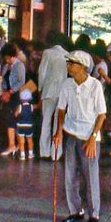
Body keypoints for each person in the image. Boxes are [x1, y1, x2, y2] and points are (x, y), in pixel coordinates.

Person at [53, 50, 106, 222]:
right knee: (70, 175)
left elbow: (101, 115)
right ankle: (75, 210)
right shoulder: (67, 84)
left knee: (91, 175)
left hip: (89, 137)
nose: (68, 66)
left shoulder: (95, 85)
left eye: (72, 63)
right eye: (68, 62)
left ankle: (94, 213)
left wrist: (93, 138)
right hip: (71, 134)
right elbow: (61, 109)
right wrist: (59, 131)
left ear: (83, 66)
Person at [37, 31, 70, 159]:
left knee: (46, 121)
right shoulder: (67, 55)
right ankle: (56, 152)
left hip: (48, 91)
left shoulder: (47, 53)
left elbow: (42, 72)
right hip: (62, 92)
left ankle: (44, 151)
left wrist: (40, 88)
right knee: (58, 122)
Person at [0, 42, 27, 157]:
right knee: (9, 119)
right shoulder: (6, 66)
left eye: (7, 57)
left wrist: (10, 92)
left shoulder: (19, 66)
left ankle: (18, 146)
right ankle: (13, 145)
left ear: (11, 55)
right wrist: (4, 92)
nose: (6, 60)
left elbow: (21, 81)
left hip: (16, 96)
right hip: (8, 96)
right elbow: (3, 80)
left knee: (15, 119)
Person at [14, 87, 36, 160]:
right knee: (30, 140)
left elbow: (16, 114)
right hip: (29, 125)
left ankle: (22, 154)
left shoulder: (19, 106)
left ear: (21, 98)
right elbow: (36, 107)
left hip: (20, 125)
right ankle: (30, 153)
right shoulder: (31, 107)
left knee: (21, 141)